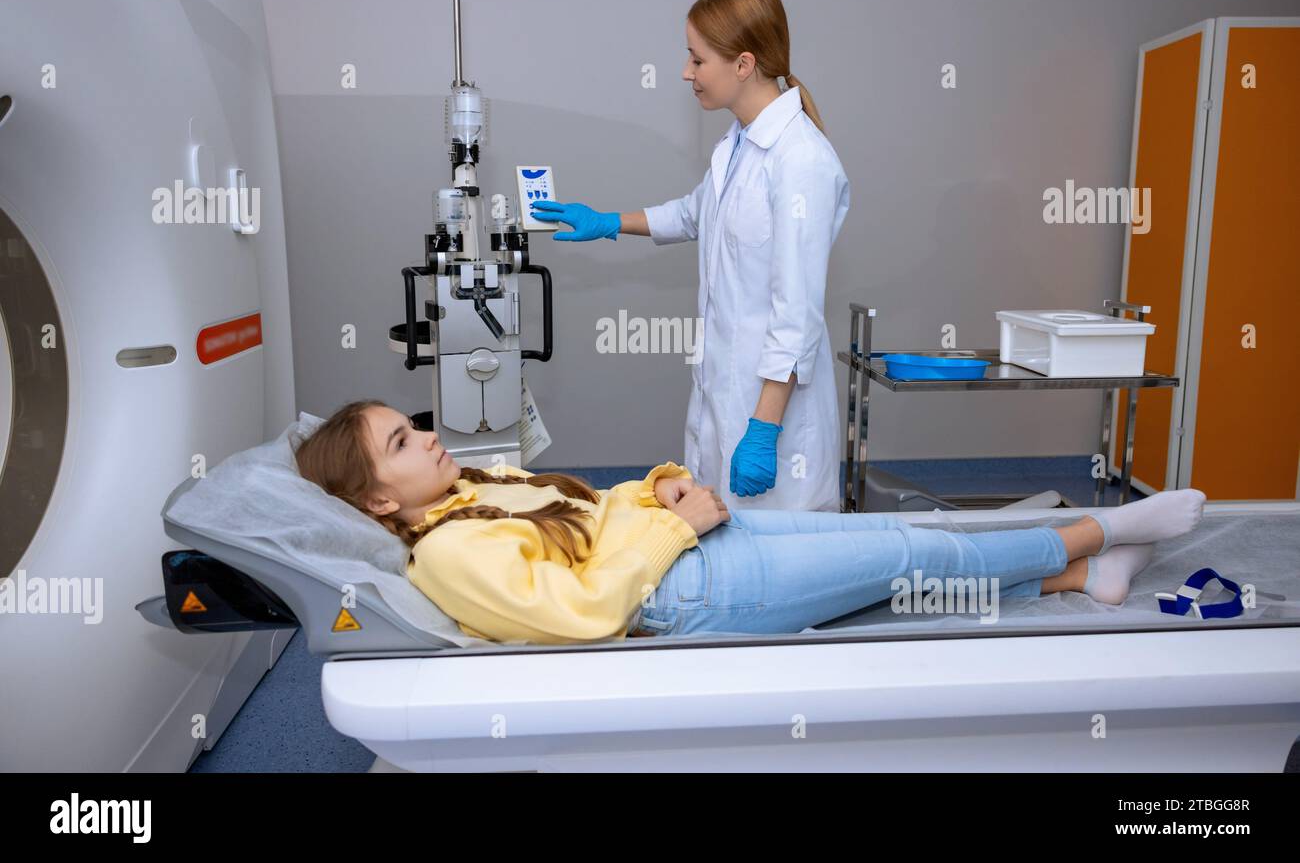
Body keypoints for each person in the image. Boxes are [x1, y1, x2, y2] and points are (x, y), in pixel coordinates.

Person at [293, 400, 1209, 646]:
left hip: (688, 544)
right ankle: (1103, 530)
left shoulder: (470, 490)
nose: (430, 438)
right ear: (378, 500)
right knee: (903, 549)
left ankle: (1082, 578)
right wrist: (677, 529)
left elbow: (591, 505)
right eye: (404, 442)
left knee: (896, 553)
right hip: (683, 591)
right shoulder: (448, 552)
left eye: (412, 427)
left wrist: (663, 484)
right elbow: (581, 613)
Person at [530, 0, 850, 512]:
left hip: (771, 421)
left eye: (697, 60)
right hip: (723, 399)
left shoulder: (801, 162)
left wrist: (764, 430)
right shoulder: (738, 146)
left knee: (778, 571)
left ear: (743, 63)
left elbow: (796, 317)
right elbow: (692, 213)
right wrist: (608, 221)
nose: (686, 72)